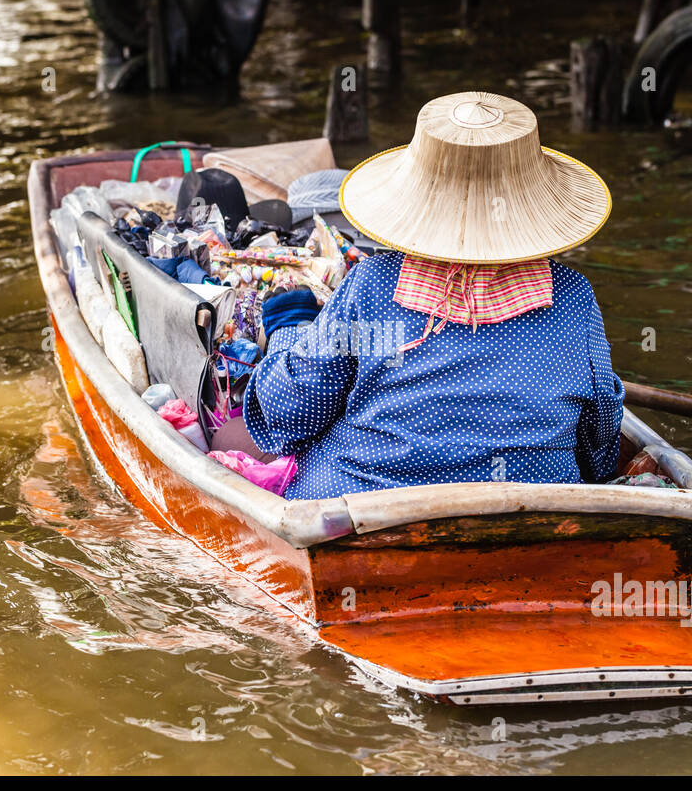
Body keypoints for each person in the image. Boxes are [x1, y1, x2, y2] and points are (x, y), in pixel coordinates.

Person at [241, 91, 624, 500]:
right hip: (539, 511)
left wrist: (287, 330)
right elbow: (600, 434)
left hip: (365, 504)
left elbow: (289, 411)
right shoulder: (573, 295)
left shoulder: (374, 283)